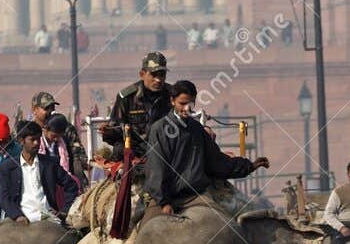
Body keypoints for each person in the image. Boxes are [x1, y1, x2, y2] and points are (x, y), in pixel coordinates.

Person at [144, 80, 268, 213]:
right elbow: (156, 168)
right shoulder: (159, 129)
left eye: (190, 103)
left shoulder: (197, 129)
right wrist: (164, 202)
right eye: (182, 103)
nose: (186, 108)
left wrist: (249, 166)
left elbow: (216, 162)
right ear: (172, 101)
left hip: (195, 197)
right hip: (164, 199)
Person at [0, 120, 78, 223]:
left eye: (38, 139)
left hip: (49, 218)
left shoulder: (50, 163)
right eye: (32, 139)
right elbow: (4, 197)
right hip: (20, 220)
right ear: (21, 141)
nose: (36, 143)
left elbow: (71, 186)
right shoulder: (7, 167)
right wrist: (17, 216)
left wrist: (64, 211)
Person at [110, 53, 173, 162]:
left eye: (162, 75)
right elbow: (114, 129)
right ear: (142, 74)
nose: (158, 80)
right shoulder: (127, 97)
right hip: (135, 152)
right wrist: (109, 131)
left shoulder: (173, 95)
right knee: (119, 149)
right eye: (153, 75)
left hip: (166, 150)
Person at [31, 92, 87, 184]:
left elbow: (78, 156)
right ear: (34, 110)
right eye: (46, 108)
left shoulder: (66, 128)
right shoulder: (28, 131)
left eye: (52, 108)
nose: (50, 111)